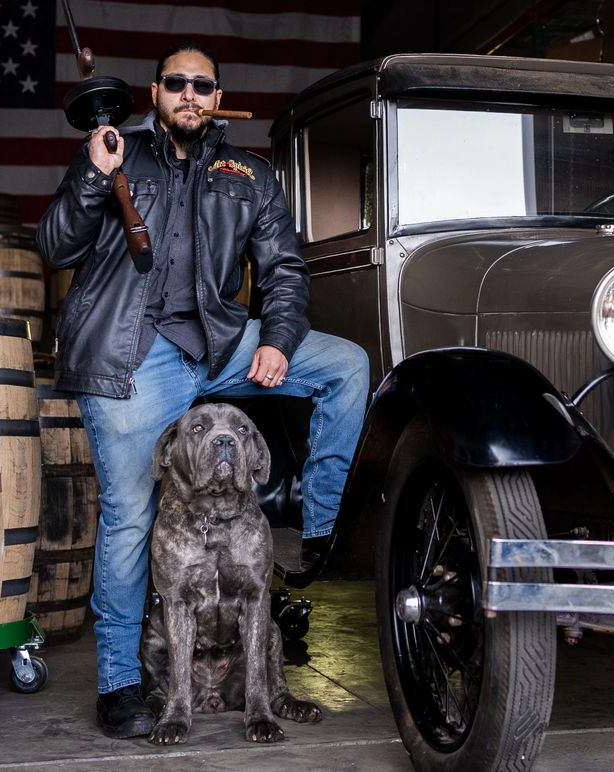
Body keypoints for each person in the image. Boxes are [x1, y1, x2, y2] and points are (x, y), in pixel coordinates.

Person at [35, 43, 370, 740]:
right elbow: (56, 245)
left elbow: (284, 271)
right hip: (135, 355)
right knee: (130, 517)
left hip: (217, 345)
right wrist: (94, 178)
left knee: (346, 366)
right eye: (177, 83)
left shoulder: (248, 174)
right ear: (156, 92)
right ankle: (122, 685)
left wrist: (276, 339)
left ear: (218, 97)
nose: (190, 93)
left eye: (203, 85)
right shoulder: (114, 151)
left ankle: (319, 533)